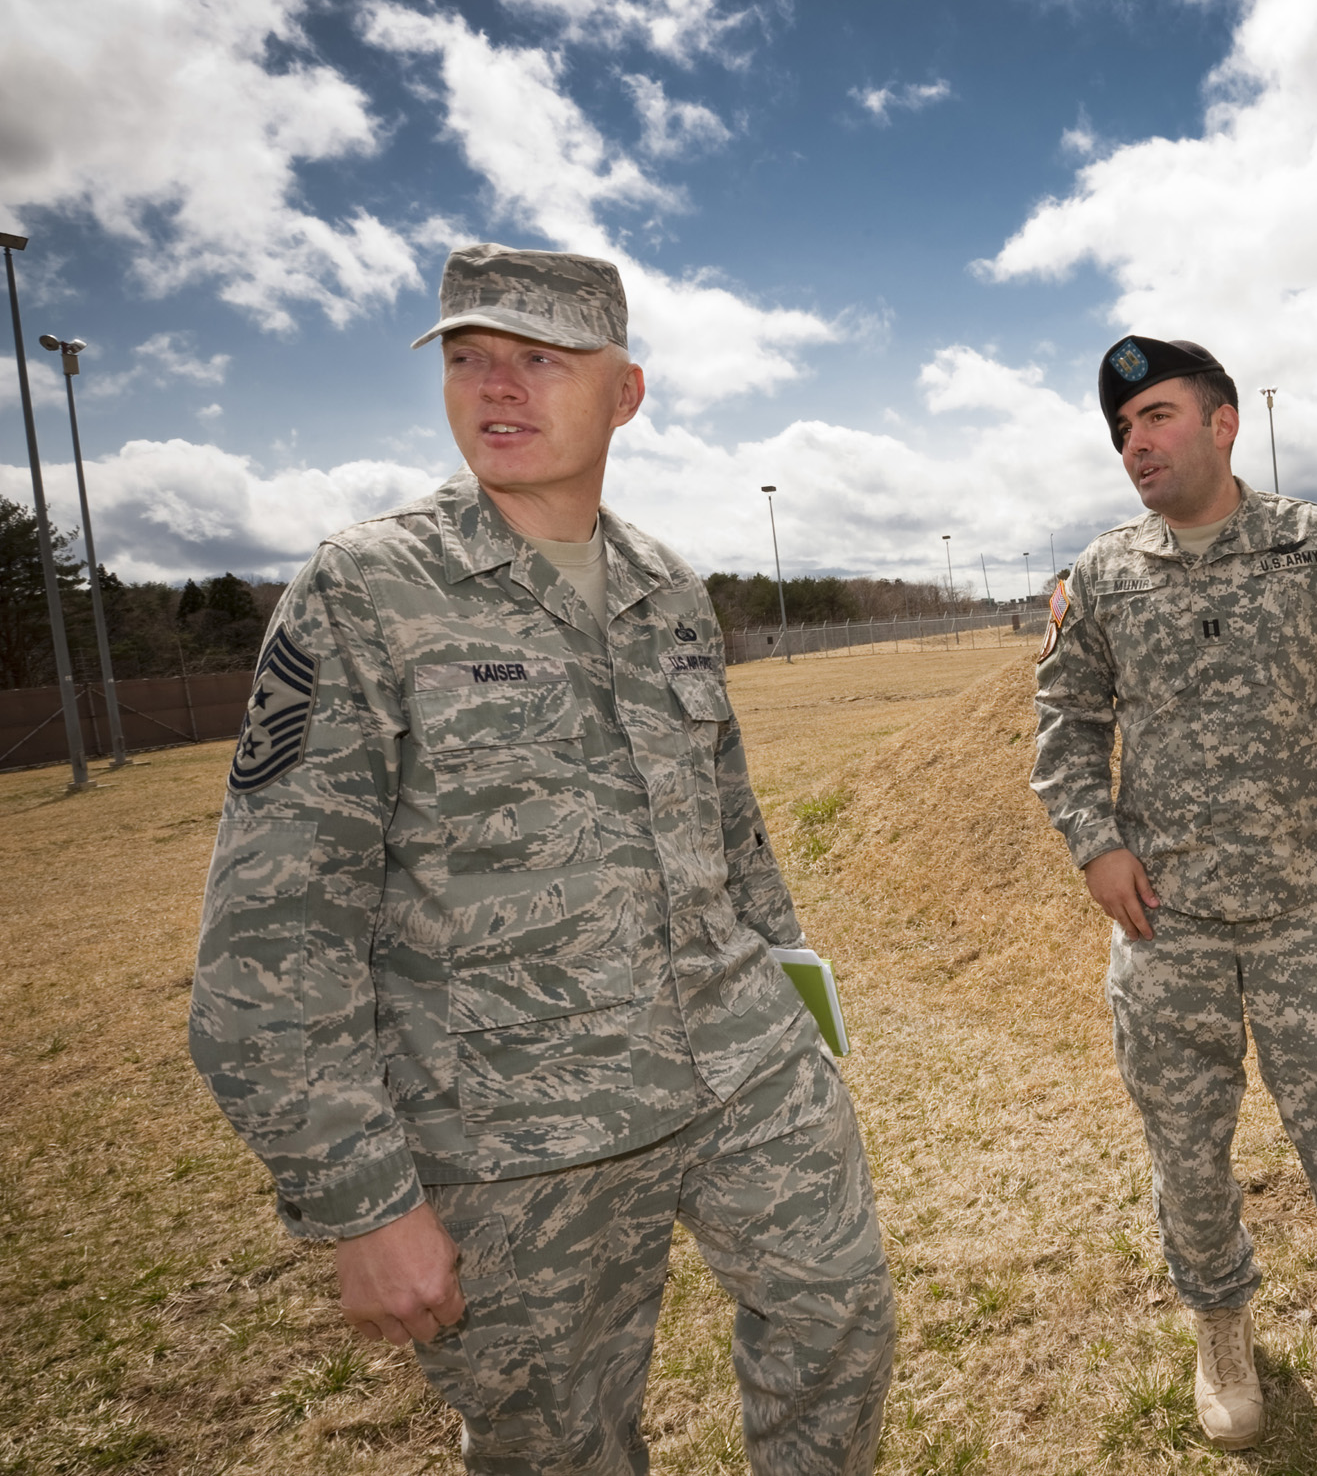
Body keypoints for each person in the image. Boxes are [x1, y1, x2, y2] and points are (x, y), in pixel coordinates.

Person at [189, 244, 894, 1475]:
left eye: (540, 360)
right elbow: (272, 937)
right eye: (470, 359)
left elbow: (731, 829)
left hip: (737, 1067)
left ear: (625, 392)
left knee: (841, 1322)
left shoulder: (669, 587)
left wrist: (796, 1013)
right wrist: (362, 1199)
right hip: (515, 1133)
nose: (497, 388)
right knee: (558, 1446)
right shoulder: (371, 590)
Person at [1031, 335, 1317, 1455]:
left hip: (1311, 920)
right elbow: (1065, 733)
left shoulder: (1316, 550)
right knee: (1186, 1152)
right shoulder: (1099, 578)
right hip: (1168, 929)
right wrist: (1096, 847)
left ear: (1222, 421)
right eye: (1122, 429)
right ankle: (1223, 1332)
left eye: (1155, 416)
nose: (1135, 443)